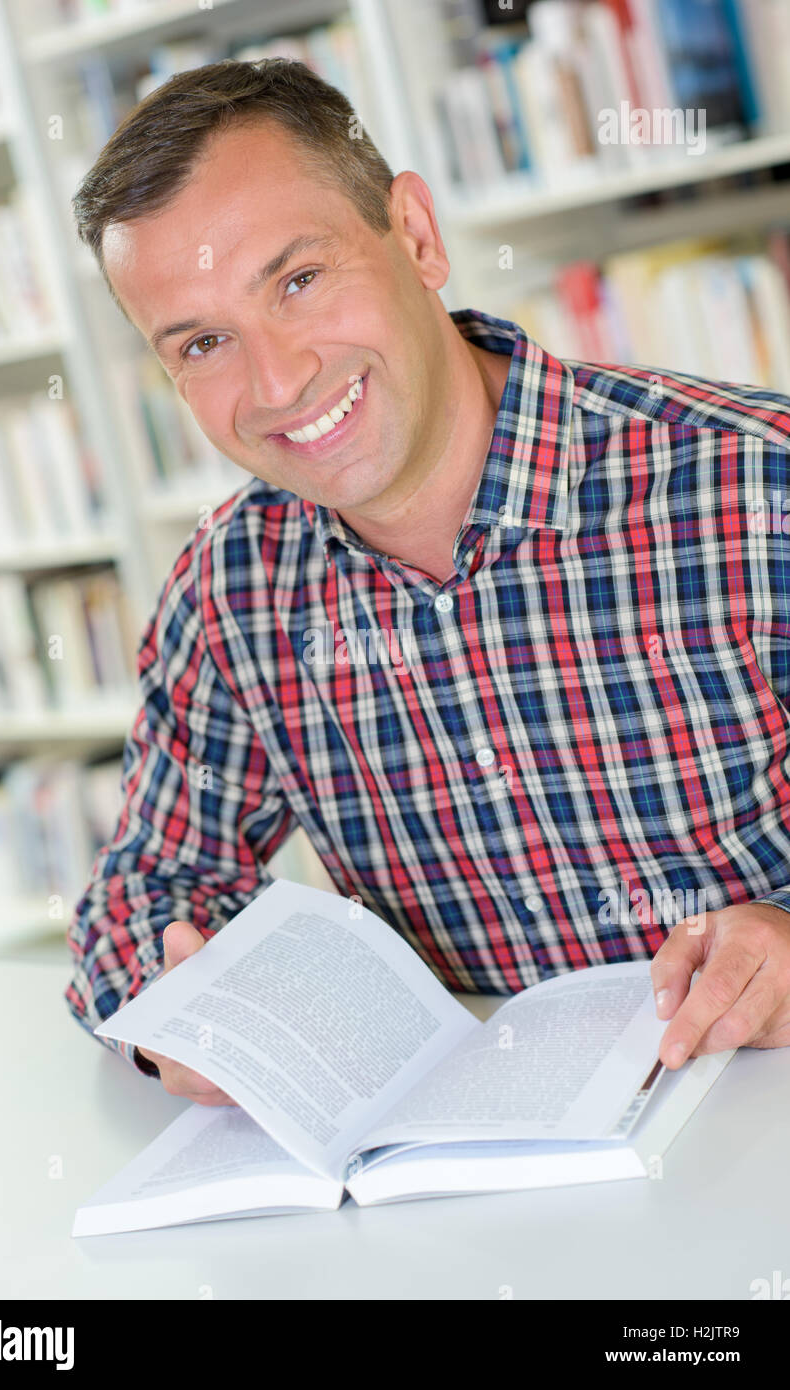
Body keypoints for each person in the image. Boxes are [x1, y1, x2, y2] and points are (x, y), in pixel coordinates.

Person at [67, 59, 790, 1105]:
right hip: (457, 1198)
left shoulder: (757, 479)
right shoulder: (232, 587)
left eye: (298, 280)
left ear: (414, 234)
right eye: (205, 342)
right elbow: (145, 892)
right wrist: (173, 1015)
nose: (277, 382)